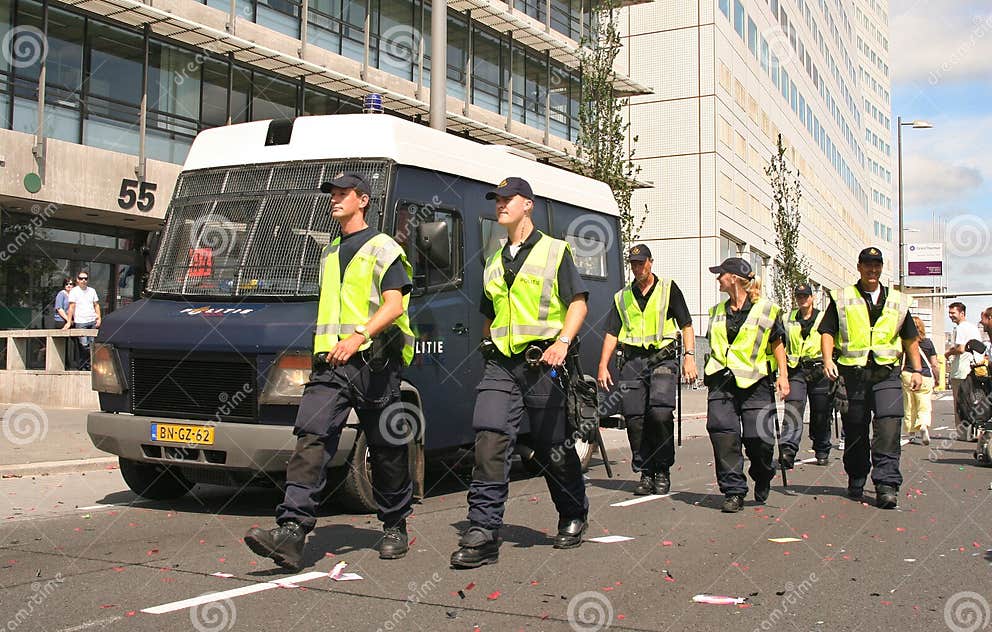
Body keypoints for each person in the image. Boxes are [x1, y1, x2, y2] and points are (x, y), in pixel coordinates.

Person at [244, 172, 416, 570]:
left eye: (343, 194)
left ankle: (395, 524)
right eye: (333, 194)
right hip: (330, 363)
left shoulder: (383, 247)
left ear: (363, 200)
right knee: (312, 438)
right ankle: (292, 531)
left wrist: (358, 337)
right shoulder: (331, 250)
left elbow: (394, 306)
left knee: (385, 448)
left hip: (374, 362)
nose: (335, 199)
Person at [451, 177, 590, 568]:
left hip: (542, 363)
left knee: (551, 449)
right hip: (501, 365)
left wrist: (562, 342)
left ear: (528, 204)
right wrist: (487, 345)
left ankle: (573, 511)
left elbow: (578, 303)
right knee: (489, 440)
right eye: (496, 200)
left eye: (507, 199)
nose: (500, 205)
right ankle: (483, 531)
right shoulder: (493, 261)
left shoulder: (555, 251)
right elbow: (490, 313)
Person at [819, 247, 922, 510]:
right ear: (859, 267)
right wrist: (828, 359)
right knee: (855, 429)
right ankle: (856, 475)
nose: (872, 270)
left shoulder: (897, 301)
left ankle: (886, 484)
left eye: (876, 265)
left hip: (886, 374)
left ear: (881, 268)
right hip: (853, 374)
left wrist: (917, 369)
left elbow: (910, 337)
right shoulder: (843, 298)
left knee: (889, 428)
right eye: (867, 265)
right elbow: (828, 331)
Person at [597, 244, 697, 495]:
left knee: (660, 415)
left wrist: (689, 357)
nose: (637, 268)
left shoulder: (668, 289)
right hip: (633, 362)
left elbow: (686, 324)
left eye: (641, 263)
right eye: (633, 264)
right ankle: (646, 471)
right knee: (635, 419)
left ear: (651, 262)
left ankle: (662, 469)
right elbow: (612, 332)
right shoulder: (622, 297)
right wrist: (602, 365)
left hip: (662, 359)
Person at [703, 258, 789, 513]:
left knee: (759, 439)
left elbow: (777, 343)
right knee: (723, 436)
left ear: (734, 278)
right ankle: (733, 491)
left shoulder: (767, 310)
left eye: (721, 274)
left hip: (756, 383)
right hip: (721, 381)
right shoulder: (716, 311)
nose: (717, 278)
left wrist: (783, 376)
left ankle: (763, 474)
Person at [780, 283, 832, 467]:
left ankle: (822, 448)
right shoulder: (787, 318)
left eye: (805, 296)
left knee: (821, 412)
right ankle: (788, 451)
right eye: (799, 296)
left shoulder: (823, 317)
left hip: (819, 370)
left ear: (812, 298)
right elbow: (780, 343)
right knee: (793, 408)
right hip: (796, 369)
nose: (802, 299)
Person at [946, 302, 981, 440]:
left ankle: (962, 434)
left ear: (962, 313)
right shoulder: (973, 328)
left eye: (953, 313)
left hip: (961, 370)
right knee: (973, 402)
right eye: (949, 313)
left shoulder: (960, 327)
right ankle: (976, 432)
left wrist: (948, 353)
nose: (950, 316)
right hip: (974, 368)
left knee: (960, 403)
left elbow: (960, 349)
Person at [902, 316, 937, 445]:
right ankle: (923, 424)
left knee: (909, 405)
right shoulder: (928, 343)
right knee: (924, 404)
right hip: (925, 375)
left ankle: (911, 433)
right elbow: (934, 364)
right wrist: (937, 378)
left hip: (908, 374)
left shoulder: (905, 342)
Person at [63, 271, 101, 370]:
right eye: (81, 278)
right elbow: (71, 307)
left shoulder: (92, 291)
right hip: (80, 321)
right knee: (83, 345)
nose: (83, 280)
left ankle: (89, 366)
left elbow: (96, 305)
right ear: (77, 280)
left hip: (92, 320)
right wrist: (68, 322)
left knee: (92, 345)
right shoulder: (74, 291)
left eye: (85, 278)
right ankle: (84, 365)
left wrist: (99, 318)